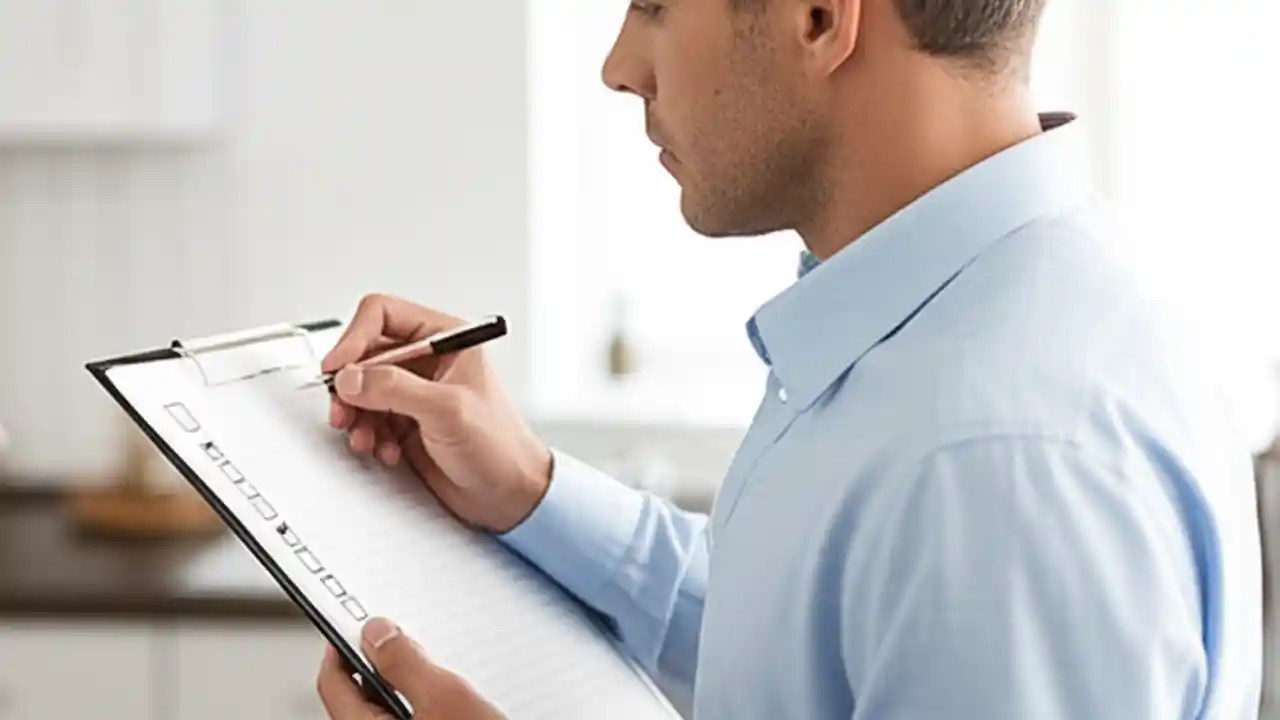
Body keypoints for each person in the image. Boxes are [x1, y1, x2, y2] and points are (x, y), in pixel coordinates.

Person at [313, 0, 1262, 717]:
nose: (618, 65)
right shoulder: (986, 319)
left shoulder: (992, 461)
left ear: (817, 17)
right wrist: (531, 492)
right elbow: (793, 653)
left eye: (654, 3)